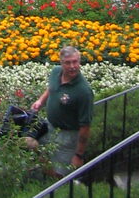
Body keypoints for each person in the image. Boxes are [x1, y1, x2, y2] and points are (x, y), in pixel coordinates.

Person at [29, 45, 93, 174]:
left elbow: (85, 126)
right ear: (61, 63)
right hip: (49, 127)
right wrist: (41, 101)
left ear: (79, 62)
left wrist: (79, 155)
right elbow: (51, 88)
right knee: (32, 147)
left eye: (75, 62)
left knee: (60, 174)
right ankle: (43, 180)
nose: (72, 66)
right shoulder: (56, 72)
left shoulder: (84, 92)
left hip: (68, 136)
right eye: (68, 63)